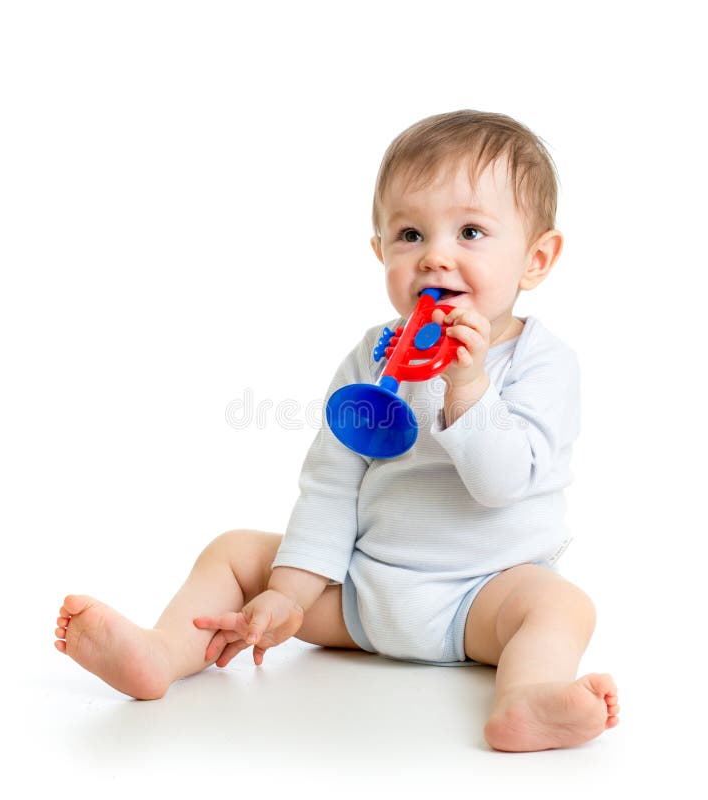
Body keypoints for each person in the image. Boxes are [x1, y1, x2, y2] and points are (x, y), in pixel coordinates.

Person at [54, 109, 620, 752]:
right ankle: (162, 654)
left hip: (482, 601)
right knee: (235, 552)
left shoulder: (545, 364)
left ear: (535, 259)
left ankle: (526, 699)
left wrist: (468, 387)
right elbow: (332, 482)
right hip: (362, 596)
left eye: (470, 232)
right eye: (410, 234)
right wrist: (289, 594)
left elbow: (504, 484)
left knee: (561, 607)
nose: (435, 256)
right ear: (380, 252)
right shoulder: (374, 356)